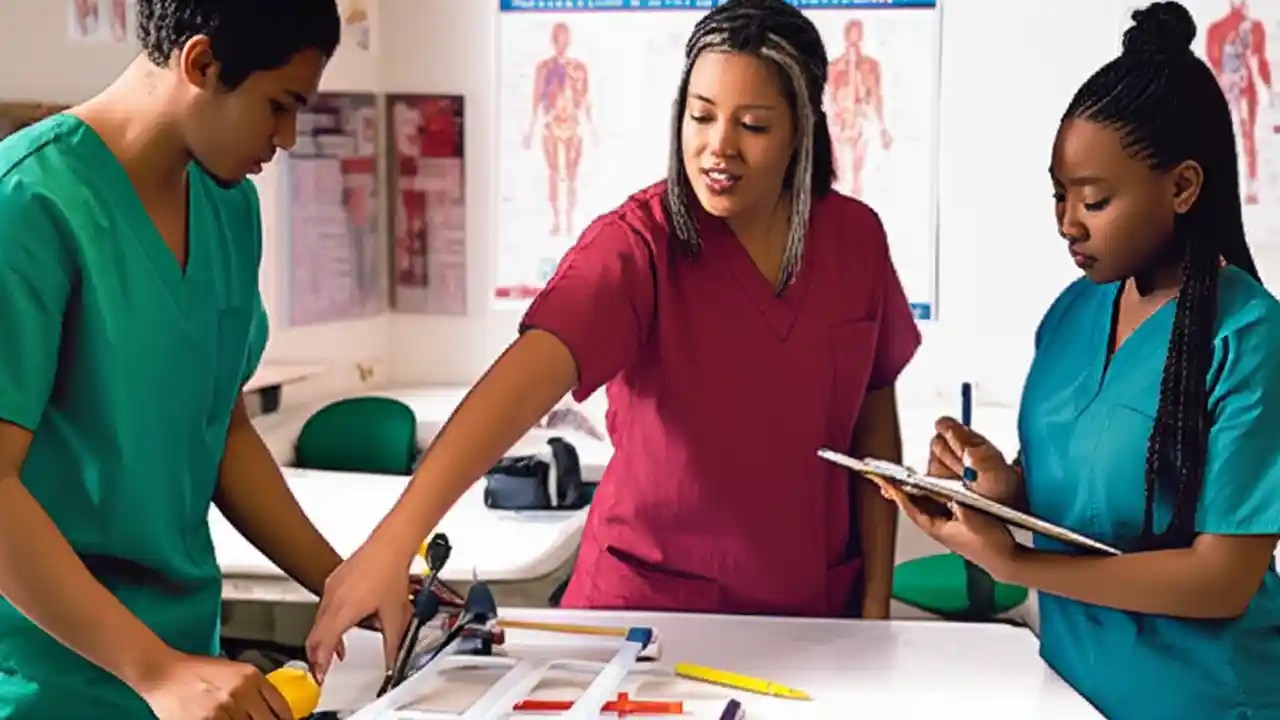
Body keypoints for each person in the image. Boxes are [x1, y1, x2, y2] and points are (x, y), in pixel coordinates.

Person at [306, 0, 921, 682]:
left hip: (808, 626)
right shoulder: (640, 245)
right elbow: (524, 378)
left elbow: (875, 428)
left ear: (802, 130)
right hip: (642, 624)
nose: (718, 146)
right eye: (701, 114)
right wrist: (395, 543)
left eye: (753, 125)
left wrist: (873, 605)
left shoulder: (854, 240)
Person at [880, 4, 1280, 718]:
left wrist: (1013, 562)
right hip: (1067, 687)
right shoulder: (1072, 314)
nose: (1067, 222)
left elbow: (1224, 579)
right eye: (1059, 195)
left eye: (1094, 200)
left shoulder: (1247, 337)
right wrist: (1000, 490)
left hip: (1203, 701)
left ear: (1183, 188)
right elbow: (1098, 502)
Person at [0, 2, 348, 718]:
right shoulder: (29, 204)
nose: (286, 137)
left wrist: (342, 582)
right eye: (279, 106)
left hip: (191, 669)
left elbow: (223, 432)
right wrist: (154, 670)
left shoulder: (229, 210)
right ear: (201, 63)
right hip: (54, 682)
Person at [522, 22, 595, 239]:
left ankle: (570, 220)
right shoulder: (544, 68)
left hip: (572, 125)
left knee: (572, 175)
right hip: (552, 126)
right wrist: (530, 128)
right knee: (554, 173)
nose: (561, 43)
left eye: (564, 38)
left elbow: (584, 99)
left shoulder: (578, 68)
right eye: (558, 38)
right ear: (553, 41)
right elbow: (536, 99)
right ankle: (556, 218)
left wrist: (591, 126)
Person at [1205, 0, 1271, 205]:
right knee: (1225, 136)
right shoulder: (1218, 29)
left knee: (1245, 135)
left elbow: (1260, 62)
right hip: (1228, 90)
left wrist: (1269, 89)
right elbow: (1214, 64)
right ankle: (1224, 185)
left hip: (1244, 90)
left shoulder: (1255, 28)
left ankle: (1249, 185)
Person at [825, 18, 892, 200]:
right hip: (841, 121)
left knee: (857, 169)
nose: (854, 43)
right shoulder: (834, 67)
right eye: (851, 38)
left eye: (858, 37)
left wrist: (882, 128)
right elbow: (830, 97)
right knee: (839, 169)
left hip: (861, 119)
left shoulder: (870, 67)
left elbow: (876, 96)